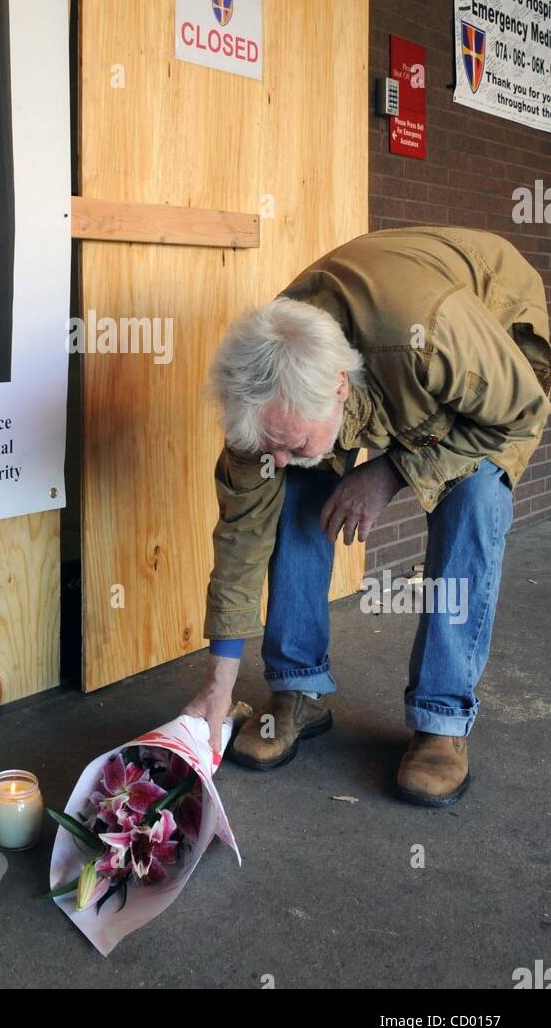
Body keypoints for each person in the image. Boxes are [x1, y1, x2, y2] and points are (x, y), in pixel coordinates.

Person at [182, 226, 551, 806]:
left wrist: (388, 473)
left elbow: (520, 413)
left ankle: (440, 720)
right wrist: (217, 684)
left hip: (491, 332)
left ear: (337, 390)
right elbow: (241, 536)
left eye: (290, 442)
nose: (273, 456)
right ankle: (297, 689)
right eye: (267, 445)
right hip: (380, 341)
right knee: (297, 486)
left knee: (474, 497)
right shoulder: (264, 409)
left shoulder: (432, 338)